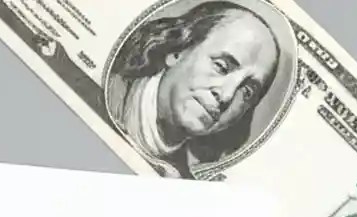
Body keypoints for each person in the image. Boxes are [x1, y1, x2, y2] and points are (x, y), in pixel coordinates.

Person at [106, 1, 281, 177]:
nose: (226, 96)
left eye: (247, 93)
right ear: (178, 51)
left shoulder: (182, 182)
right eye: (221, 67)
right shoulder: (98, 92)